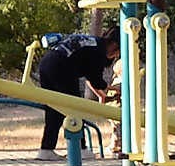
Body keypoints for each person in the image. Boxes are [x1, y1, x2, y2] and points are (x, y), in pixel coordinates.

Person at [35, 28, 120, 159]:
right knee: (74, 107)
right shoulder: (98, 51)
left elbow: (90, 78)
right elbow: (96, 80)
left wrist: (101, 95)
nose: (116, 56)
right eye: (118, 52)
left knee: (54, 108)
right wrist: (114, 89)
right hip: (62, 67)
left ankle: (46, 149)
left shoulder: (93, 43)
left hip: (46, 64)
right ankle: (80, 148)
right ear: (115, 45)